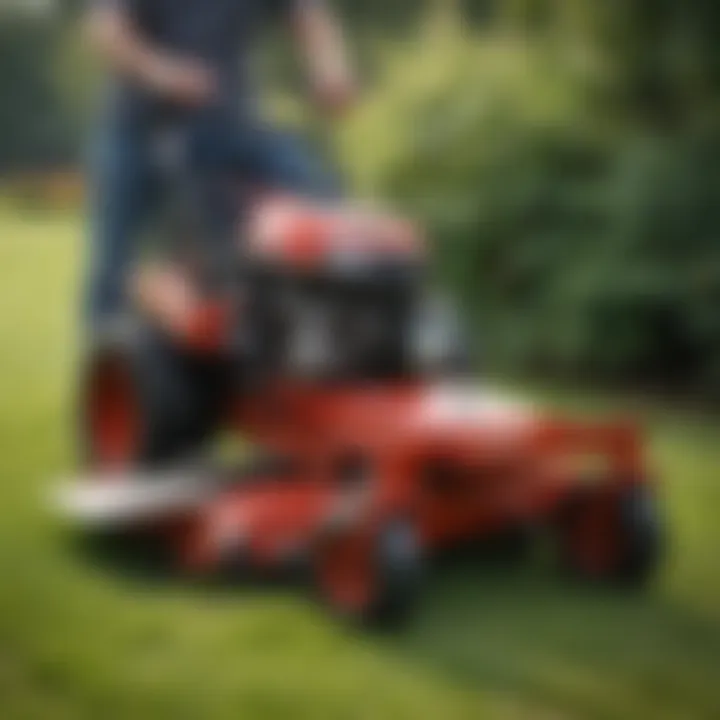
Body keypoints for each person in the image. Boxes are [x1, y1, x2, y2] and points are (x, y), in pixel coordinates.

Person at [84, 0, 356, 328]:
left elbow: (309, 16)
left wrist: (330, 68)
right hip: (141, 131)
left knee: (324, 213)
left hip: (229, 125)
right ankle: (109, 351)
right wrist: (163, 73)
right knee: (115, 265)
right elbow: (105, 31)